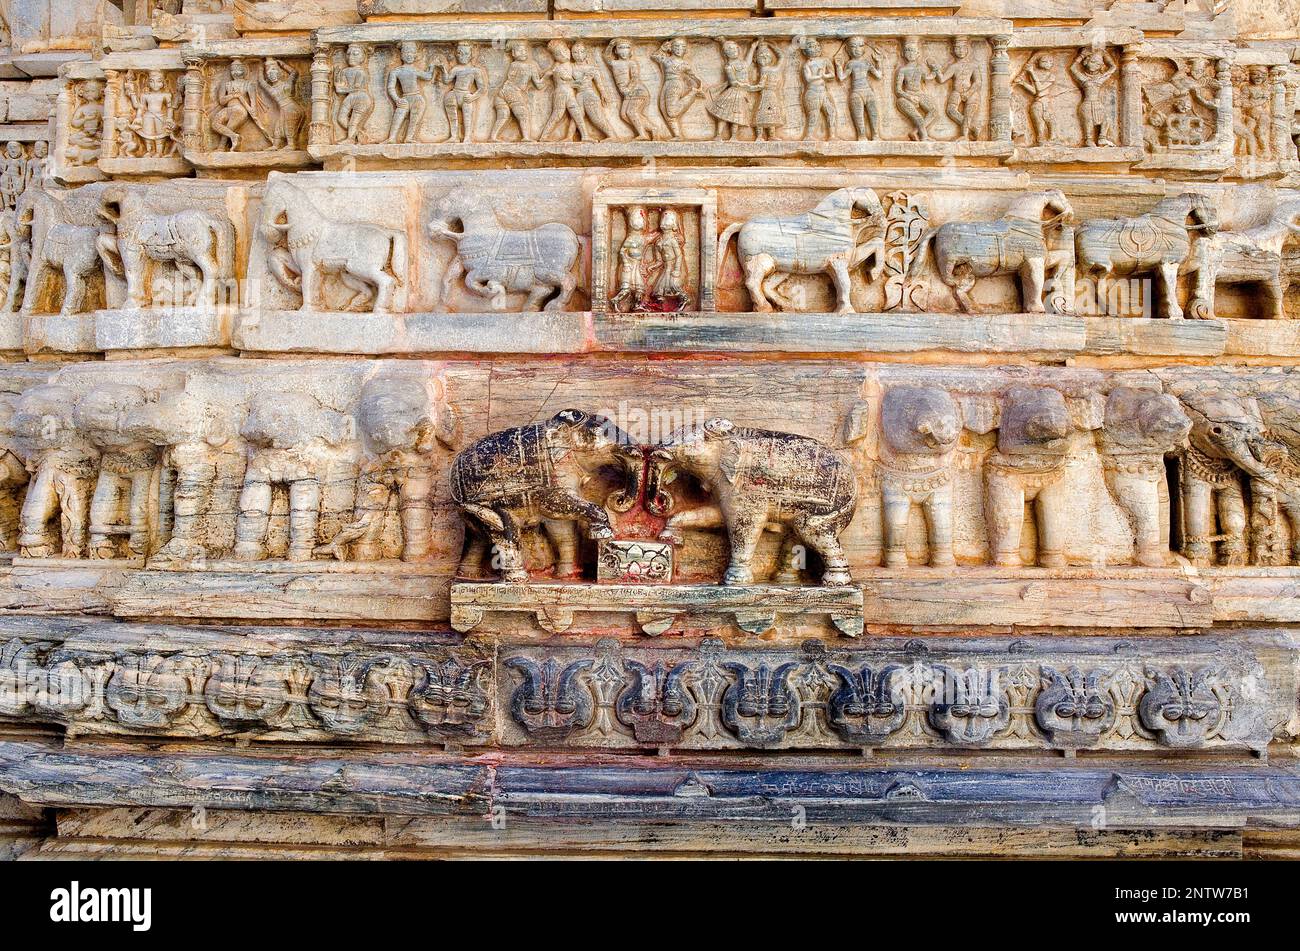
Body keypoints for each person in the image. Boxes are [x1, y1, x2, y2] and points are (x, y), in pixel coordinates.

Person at [491, 40, 545, 142]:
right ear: (514, 53)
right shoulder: (518, 65)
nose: (523, 52)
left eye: (525, 50)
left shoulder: (529, 65)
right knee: (522, 114)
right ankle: (526, 137)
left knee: (503, 115)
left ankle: (493, 137)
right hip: (511, 91)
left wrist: (545, 75)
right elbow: (538, 84)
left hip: (504, 92)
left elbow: (539, 85)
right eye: (520, 50)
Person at [606, 38, 655, 141]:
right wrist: (610, 45)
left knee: (631, 112)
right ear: (616, 51)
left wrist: (627, 89)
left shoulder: (631, 63)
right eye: (620, 48)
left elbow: (635, 77)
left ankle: (643, 134)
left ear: (630, 51)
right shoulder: (614, 63)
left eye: (627, 48)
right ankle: (652, 128)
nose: (624, 51)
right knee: (624, 115)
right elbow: (606, 57)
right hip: (628, 93)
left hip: (637, 91)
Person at [385, 41, 433, 144]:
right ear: (401, 55)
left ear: (416, 55)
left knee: (415, 119)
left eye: (411, 52)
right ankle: (392, 137)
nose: (409, 55)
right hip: (404, 98)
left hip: (417, 98)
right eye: (406, 53)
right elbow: (390, 88)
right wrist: (396, 99)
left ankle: (409, 137)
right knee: (398, 116)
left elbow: (428, 76)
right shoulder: (396, 71)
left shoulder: (415, 70)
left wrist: (432, 66)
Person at [836, 36, 882, 141]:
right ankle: (861, 136)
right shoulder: (850, 64)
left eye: (860, 46)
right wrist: (838, 66)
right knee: (858, 115)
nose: (857, 49)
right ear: (848, 50)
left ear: (864, 48)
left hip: (868, 91)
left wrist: (879, 62)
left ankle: (876, 135)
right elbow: (841, 77)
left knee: (873, 113)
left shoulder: (867, 63)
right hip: (856, 92)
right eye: (853, 47)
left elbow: (879, 75)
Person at [333, 44, 374, 145]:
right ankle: (358, 134)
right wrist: (336, 80)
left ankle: (350, 139)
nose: (351, 56)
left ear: (363, 57)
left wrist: (340, 88)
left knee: (353, 122)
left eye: (355, 54)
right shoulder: (344, 71)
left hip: (361, 97)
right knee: (340, 119)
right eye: (348, 54)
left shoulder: (361, 72)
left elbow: (354, 88)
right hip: (351, 96)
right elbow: (340, 88)